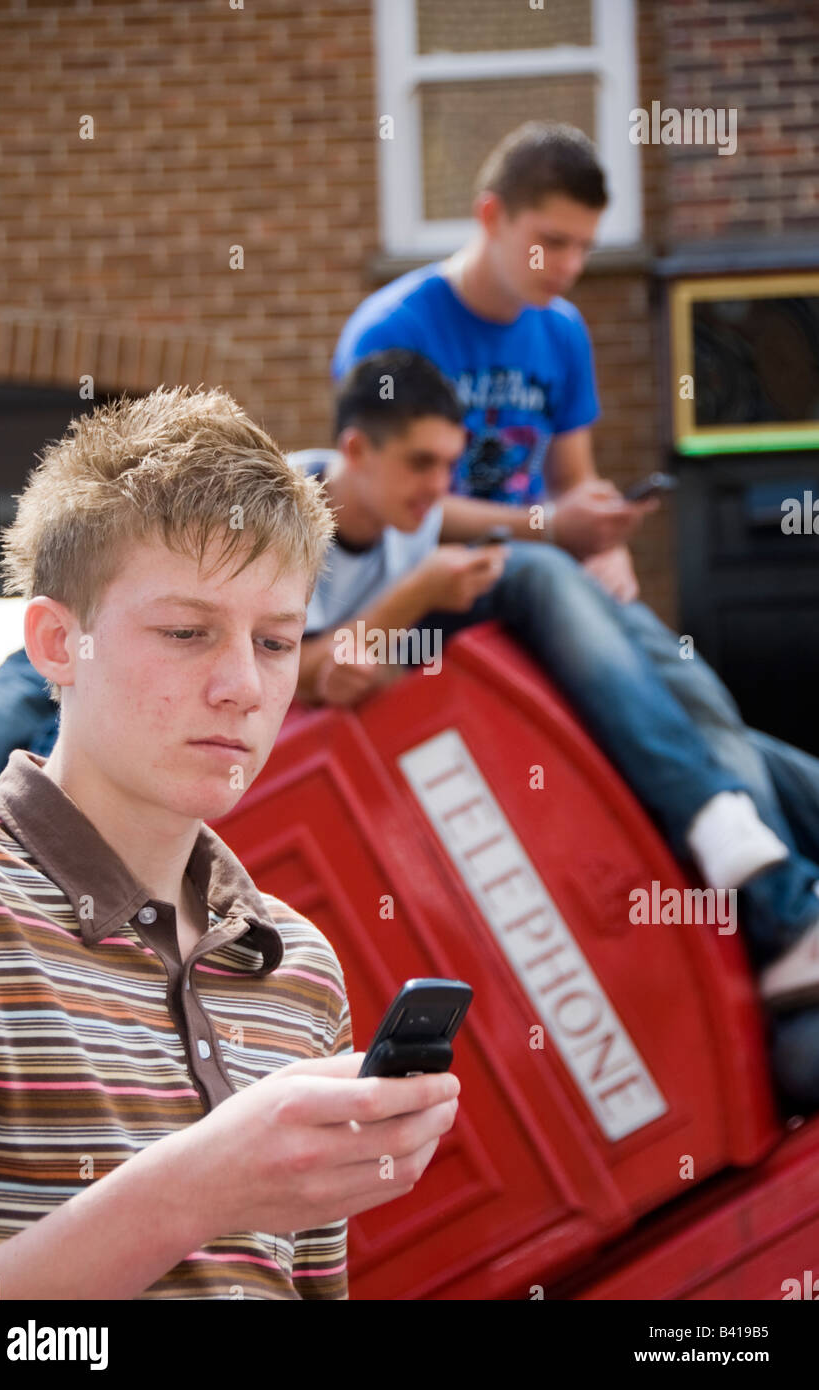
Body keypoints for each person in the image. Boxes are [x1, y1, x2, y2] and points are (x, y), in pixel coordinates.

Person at [0, 386, 460, 1299]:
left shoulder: (302, 967)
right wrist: (193, 1191)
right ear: (57, 642)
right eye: (187, 632)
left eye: (276, 642)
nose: (241, 686)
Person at [330, 119, 819, 947]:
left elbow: (570, 480)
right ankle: (779, 913)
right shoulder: (395, 329)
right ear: (490, 216)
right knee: (545, 574)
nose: (567, 267)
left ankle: (784, 902)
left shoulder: (562, 332)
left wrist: (608, 538)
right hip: (450, 584)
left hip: (548, 569)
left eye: (584, 248)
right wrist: (552, 528)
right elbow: (397, 502)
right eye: (550, 242)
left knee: (702, 706)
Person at [295, 350, 819, 1109]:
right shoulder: (283, 516)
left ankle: (753, 861)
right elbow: (294, 670)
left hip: (423, 680)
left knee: (678, 703)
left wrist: (589, 546)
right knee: (544, 584)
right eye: (421, 463)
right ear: (354, 451)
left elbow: (484, 543)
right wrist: (414, 597)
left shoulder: (409, 507)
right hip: (346, 765)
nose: (440, 484)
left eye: (450, 462)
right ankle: (775, 898)